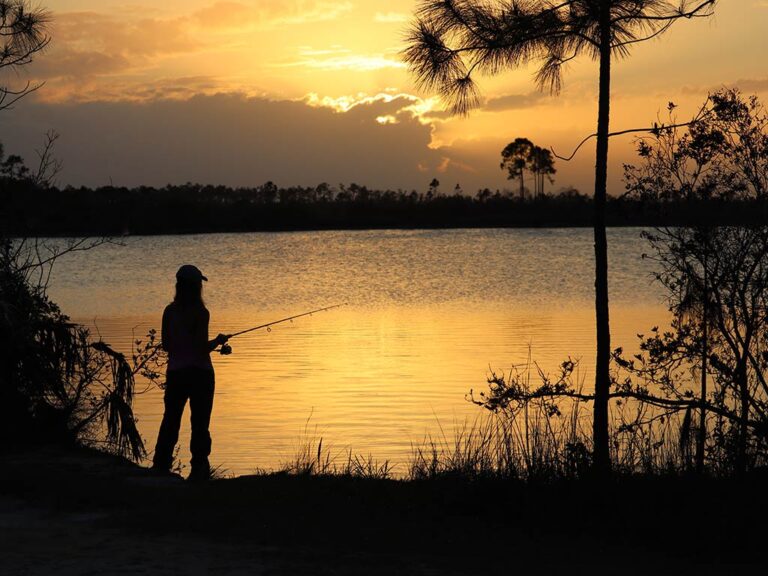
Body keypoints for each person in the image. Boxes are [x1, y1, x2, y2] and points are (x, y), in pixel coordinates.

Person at [152, 264, 228, 481]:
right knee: (200, 423)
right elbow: (201, 348)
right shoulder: (201, 313)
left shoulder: (169, 312)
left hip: (176, 373)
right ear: (196, 287)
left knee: (171, 419)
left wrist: (182, 347)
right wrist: (218, 341)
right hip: (201, 374)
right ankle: (199, 469)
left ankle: (161, 465)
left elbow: (166, 345)